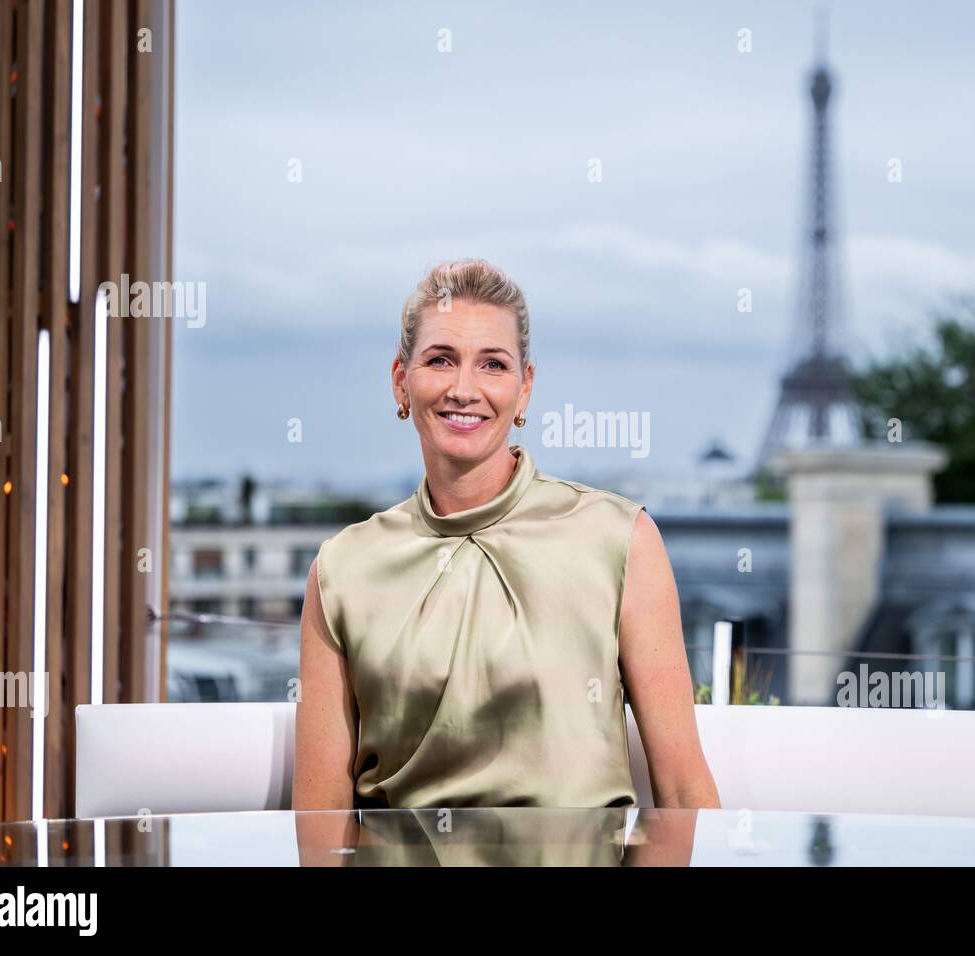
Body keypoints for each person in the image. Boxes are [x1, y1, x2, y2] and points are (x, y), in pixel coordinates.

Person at [293, 258, 719, 811]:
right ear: (401, 381)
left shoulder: (622, 540)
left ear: (525, 389)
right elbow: (321, 819)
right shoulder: (342, 570)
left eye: (492, 365)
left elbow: (685, 790)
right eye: (440, 360)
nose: (464, 389)